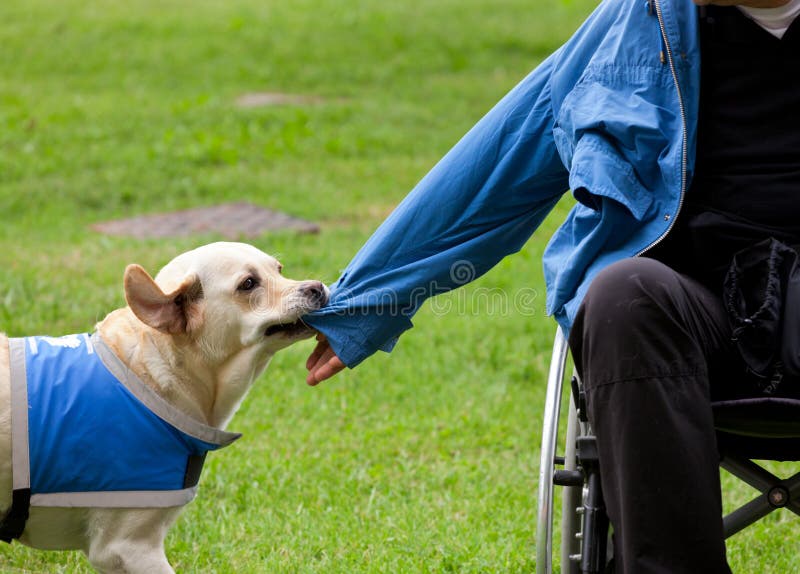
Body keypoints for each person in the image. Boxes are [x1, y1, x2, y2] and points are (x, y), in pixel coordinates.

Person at [304, 0, 800, 571]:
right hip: (696, 322)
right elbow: (502, 161)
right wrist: (369, 299)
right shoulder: (639, 22)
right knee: (623, 294)